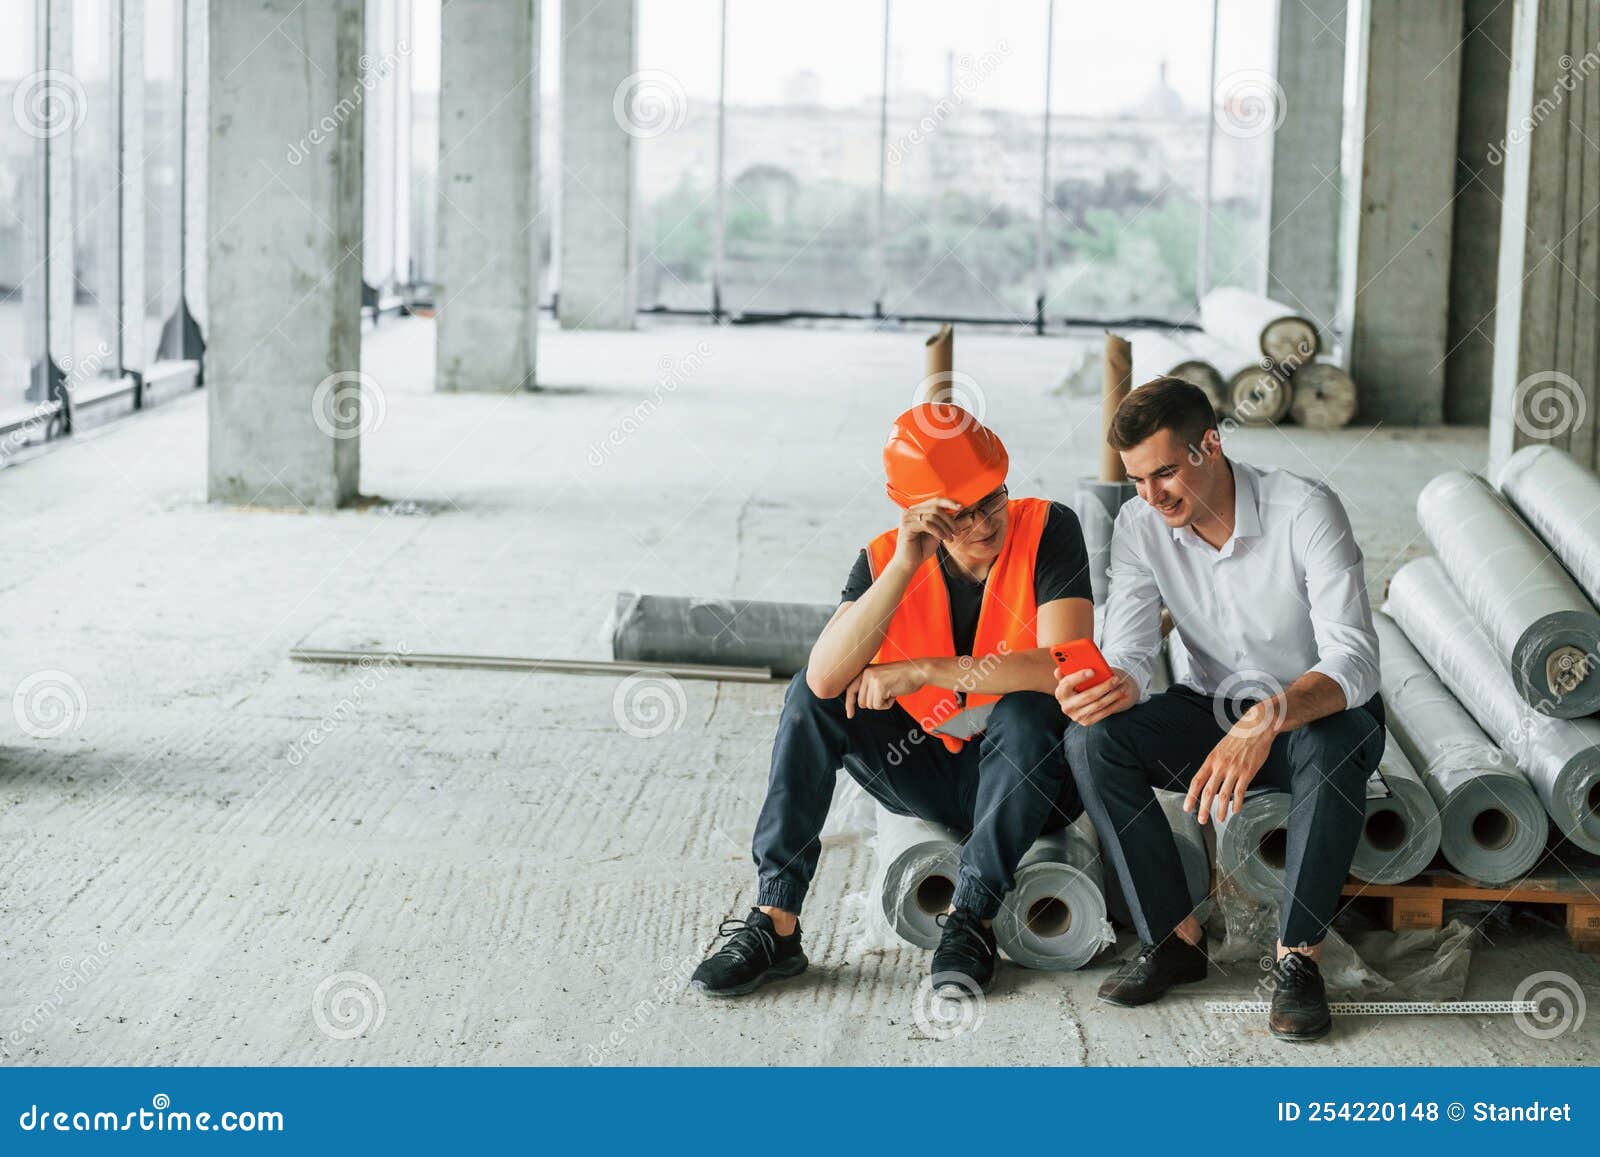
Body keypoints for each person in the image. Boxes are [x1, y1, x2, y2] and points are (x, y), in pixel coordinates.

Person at [692, 403, 1095, 999]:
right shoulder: (885, 558)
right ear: (918, 515)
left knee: (1030, 706)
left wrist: (927, 670)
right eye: (959, 515)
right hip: (928, 769)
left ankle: (972, 920)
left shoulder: (1048, 528)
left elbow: (1071, 666)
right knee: (809, 694)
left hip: (1034, 778)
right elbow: (826, 680)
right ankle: (776, 920)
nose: (984, 523)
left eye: (992, 499)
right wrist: (907, 565)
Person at [1058, 378, 1383, 1042]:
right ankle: (1174, 938)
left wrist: (1267, 718)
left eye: (1166, 472)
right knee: (1091, 740)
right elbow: (1132, 649)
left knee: (1333, 742)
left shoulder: (1304, 508)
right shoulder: (1140, 523)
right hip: (1211, 709)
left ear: (1210, 444)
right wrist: (1112, 683)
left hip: (1317, 713)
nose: (1152, 495)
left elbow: (1355, 658)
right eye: (1138, 479)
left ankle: (1298, 961)